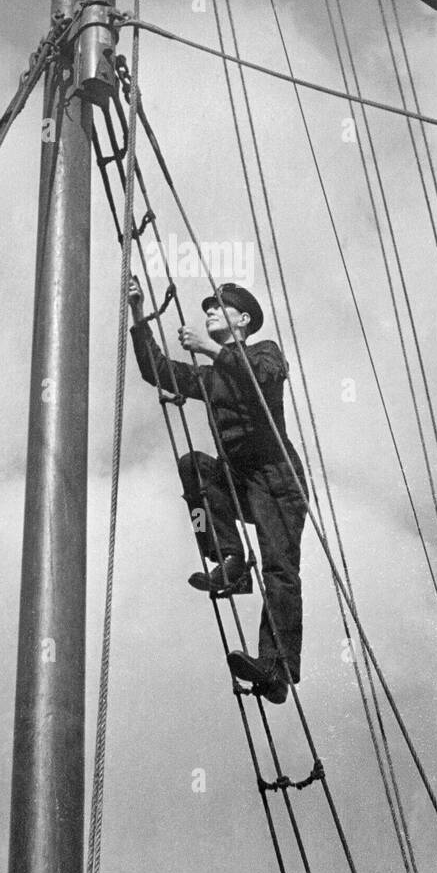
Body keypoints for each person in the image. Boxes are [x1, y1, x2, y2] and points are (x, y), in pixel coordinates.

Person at [128, 275, 308, 706]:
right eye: (208, 307)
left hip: (279, 483)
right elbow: (159, 371)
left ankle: (277, 668)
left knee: (280, 569)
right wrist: (138, 315)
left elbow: (262, 377)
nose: (209, 311)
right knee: (194, 467)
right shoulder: (211, 379)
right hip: (241, 482)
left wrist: (210, 348)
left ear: (244, 320)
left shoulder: (265, 352)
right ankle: (230, 558)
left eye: (219, 307)